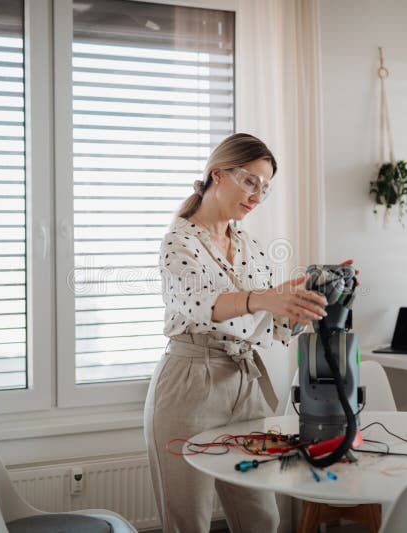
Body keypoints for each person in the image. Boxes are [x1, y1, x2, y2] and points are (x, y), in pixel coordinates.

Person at [143, 133, 352, 532]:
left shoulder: (250, 245)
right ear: (217, 175)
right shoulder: (178, 242)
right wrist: (264, 298)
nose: (257, 196)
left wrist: (307, 301)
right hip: (188, 385)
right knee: (189, 521)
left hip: (244, 382)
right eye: (251, 181)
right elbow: (203, 304)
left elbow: (269, 322)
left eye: (266, 188)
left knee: (261, 517)